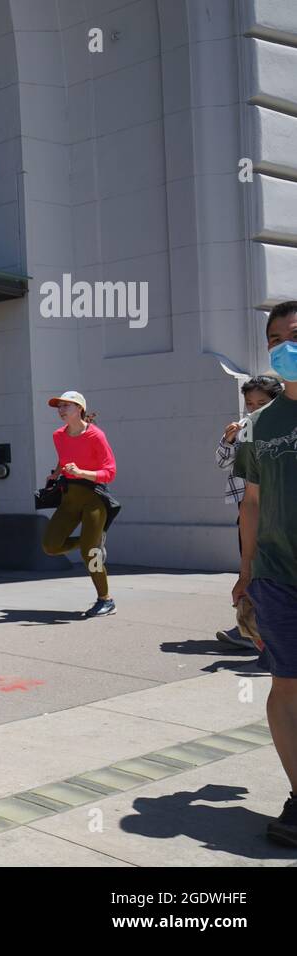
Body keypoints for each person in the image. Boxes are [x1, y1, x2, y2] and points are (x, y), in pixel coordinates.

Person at [231, 300, 297, 848]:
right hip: (277, 577)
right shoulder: (260, 426)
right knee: (287, 686)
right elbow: (250, 504)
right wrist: (245, 572)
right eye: (274, 338)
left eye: (292, 334)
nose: (283, 346)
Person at [216, 375, 283, 647]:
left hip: (277, 512)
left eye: (262, 403)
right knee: (251, 567)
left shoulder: (283, 428)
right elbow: (222, 462)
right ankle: (249, 626)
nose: (254, 408)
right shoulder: (245, 428)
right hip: (250, 509)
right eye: (250, 403)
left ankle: (259, 629)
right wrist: (229, 440)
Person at [40, 390, 118, 617]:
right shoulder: (58, 435)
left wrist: (82, 472)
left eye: (66, 406)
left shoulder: (96, 436)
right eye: (59, 406)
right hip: (70, 497)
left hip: (94, 499)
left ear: (79, 409)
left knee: (90, 554)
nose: (61, 410)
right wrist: (56, 473)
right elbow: (64, 458)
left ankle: (105, 599)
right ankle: (89, 543)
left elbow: (110, 472)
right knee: (50, 545)